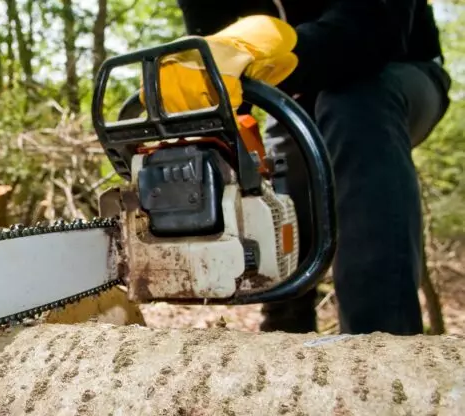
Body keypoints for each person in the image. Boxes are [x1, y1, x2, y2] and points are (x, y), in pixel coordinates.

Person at [162, 0, 452, 335]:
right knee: (285, 164)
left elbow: (375, 28)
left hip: (396, 70)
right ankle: (285, 327)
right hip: (295, 94)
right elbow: (212, 49)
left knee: (354, 107)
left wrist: (284, 47)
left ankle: (381, 335)